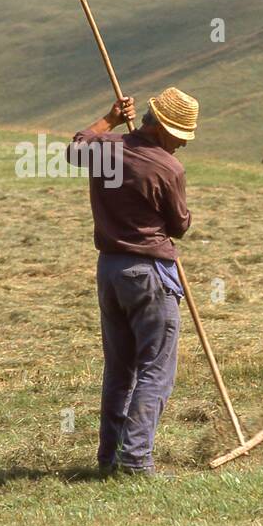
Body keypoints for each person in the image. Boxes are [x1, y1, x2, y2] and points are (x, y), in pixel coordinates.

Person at [68, 86, 197, 474]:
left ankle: (109, 458)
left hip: (110, 271)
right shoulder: (166, 168)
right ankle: (136, 461)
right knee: (156, 369)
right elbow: (180, 224)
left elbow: (75, 147)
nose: (183, 145)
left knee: (120, 369)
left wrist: (108, 118)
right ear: (162, 128)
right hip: (149, 276)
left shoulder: (105, 150)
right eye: (180, 136)